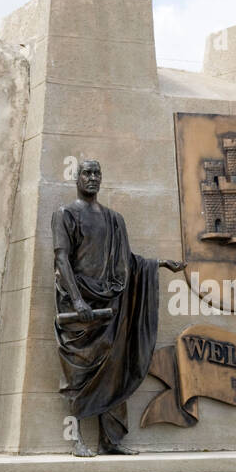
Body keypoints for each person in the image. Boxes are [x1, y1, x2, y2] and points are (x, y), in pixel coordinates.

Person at [52, 160, 185, 456]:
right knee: (78, 375)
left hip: (110, 307)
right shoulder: (65, 214)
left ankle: (110, 441)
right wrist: (77, 300)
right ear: (77, 178)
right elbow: (62, 260)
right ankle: (76, 441)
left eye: (97, 173)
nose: (93, 178)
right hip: (80, 311)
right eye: (87, 173)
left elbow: (128, 261)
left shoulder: (115, 220)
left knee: (114, 370)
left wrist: (160, 264)